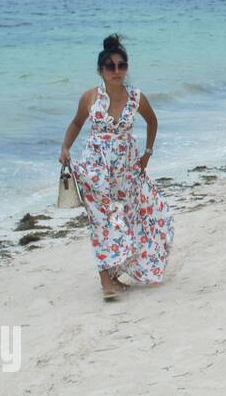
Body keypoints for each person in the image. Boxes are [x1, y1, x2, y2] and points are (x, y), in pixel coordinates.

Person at [61, 34, 173, 300]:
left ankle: (113, 276)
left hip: (127, 172)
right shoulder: (90, 98)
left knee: (145, 218)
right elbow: (77, 123)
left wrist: (147, 154)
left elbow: (153, 122)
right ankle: (106, 282)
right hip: (94, 170)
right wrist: (65, 147)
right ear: (101, 70)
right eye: (110, 66)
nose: (116, 71)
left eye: (121, 66)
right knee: (102, 223)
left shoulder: (136, 98)